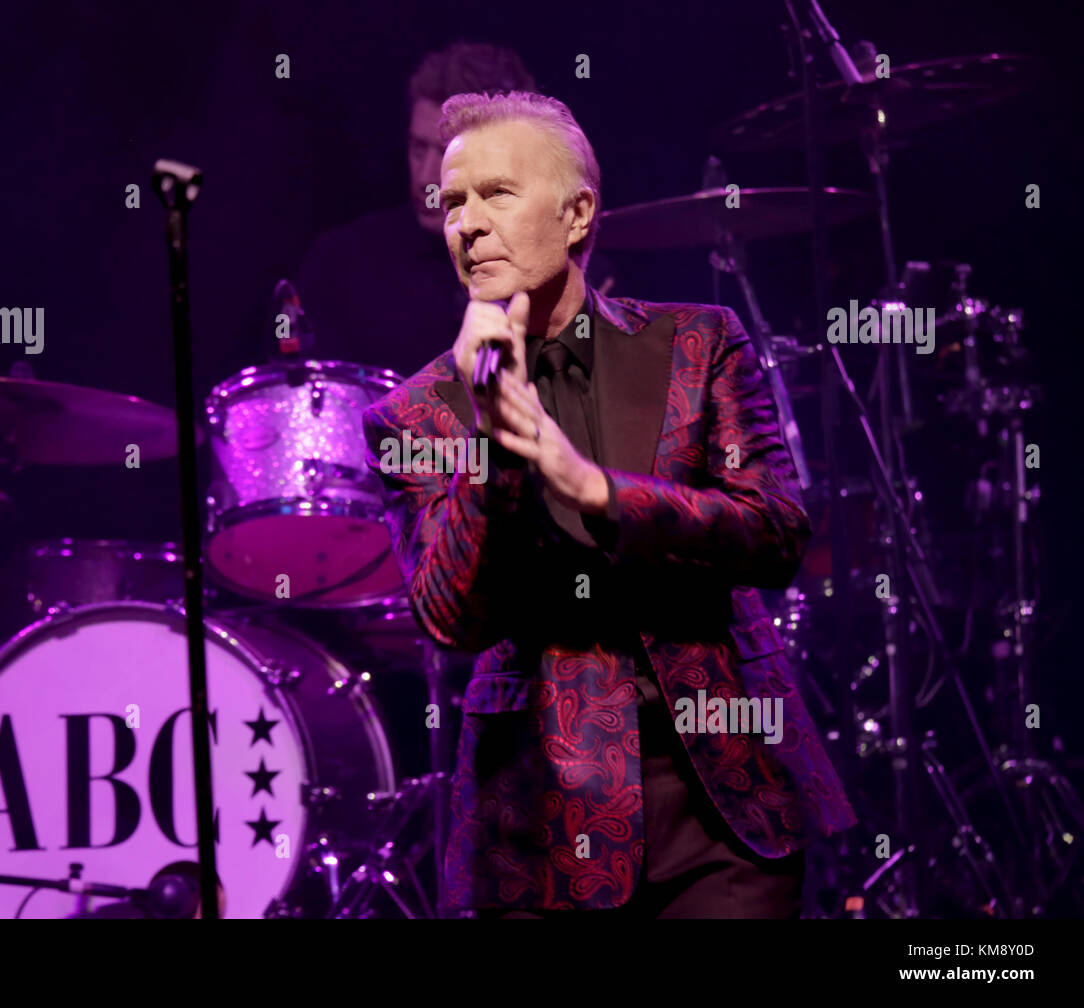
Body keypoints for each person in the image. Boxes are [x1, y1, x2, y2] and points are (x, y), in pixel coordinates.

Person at [361, 91, 856, 917]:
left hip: (723, 805)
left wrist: (599, 491)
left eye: (497, 193)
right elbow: (451, 618)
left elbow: (775, 532)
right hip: (539, 822)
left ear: (579, 212)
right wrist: (491, 441)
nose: (467, 224)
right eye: (452, 202)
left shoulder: (700, 344)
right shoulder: (414, 414)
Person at [295, 42, 614, 378]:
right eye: (418, 149)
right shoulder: (340, 262)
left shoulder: (574, 275)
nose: (425, 178)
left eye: (447, 151)